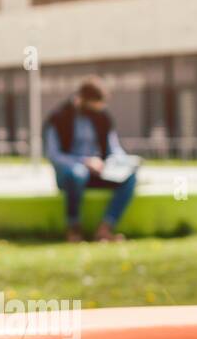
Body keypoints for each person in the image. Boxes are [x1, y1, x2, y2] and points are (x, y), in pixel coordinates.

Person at [42, 75, 137, 243]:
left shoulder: (103, 118)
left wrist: (125, 162)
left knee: (129, 178)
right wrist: (84, 162)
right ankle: (74, 229)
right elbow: (54, 155)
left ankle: (105, 229)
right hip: (70, 175)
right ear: (83, 100)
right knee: (77, 174)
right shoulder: (58, 118)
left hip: (98, 172)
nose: (96, 112)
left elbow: (114, 149)